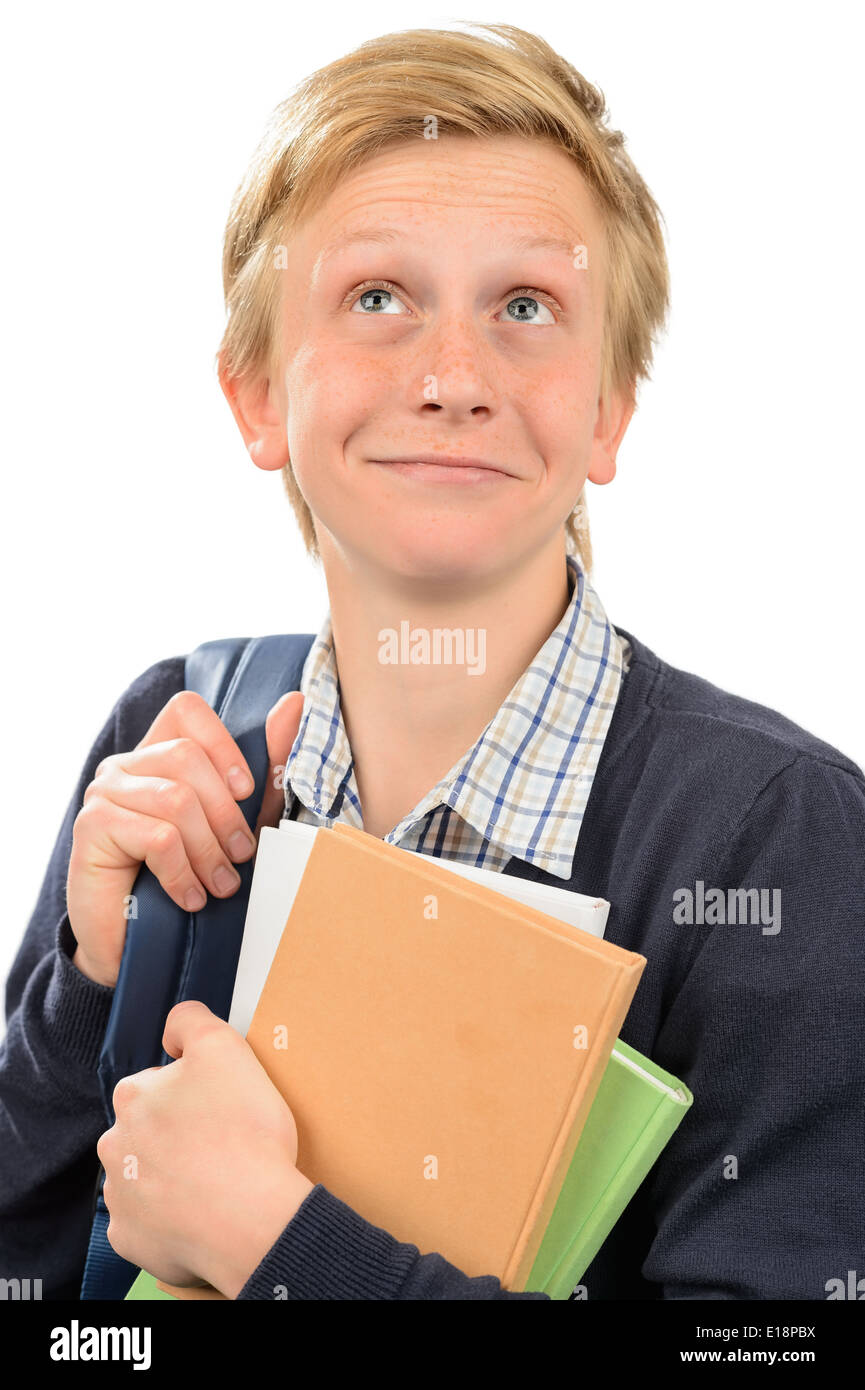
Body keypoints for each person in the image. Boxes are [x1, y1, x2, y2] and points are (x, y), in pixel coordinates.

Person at [2, 23, 863, 1302]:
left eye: (525, 306)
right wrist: (89, 991)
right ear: (254, 394)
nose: (454, 377)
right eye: (376, 299)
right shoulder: (179, 732)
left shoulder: (773, 836)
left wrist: (279, 1246)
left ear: (608, 409)